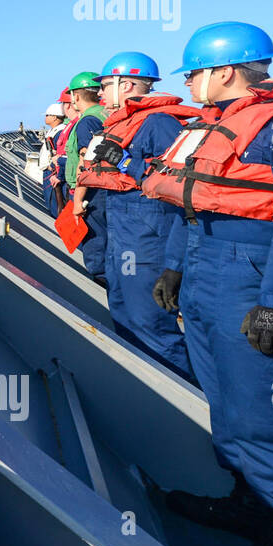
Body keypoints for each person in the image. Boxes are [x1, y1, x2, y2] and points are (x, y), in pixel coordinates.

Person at [141, 21, 273, 546]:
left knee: (264, 414)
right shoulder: (214, 129)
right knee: (226, 404)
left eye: (195, 73)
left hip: (257, 273)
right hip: (207, 268)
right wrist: (175, 267)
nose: (191, 84)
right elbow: (196, 201)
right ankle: (252, 504)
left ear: (223, 71)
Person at [75, 52, 197, 380]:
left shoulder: (159, 123)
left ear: (125, 84)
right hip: (123, 232)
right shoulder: (125, 122)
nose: (99, 94)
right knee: (125, 318)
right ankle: (149, 388)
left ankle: (187, 402)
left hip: (148, 238)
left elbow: (179, 184)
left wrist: (125, 161)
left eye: (104, 86)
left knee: (152, 327)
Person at [64, 72, 108, 285]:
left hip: (92, 192)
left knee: (95, 243)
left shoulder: (87, 121)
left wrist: (78, 199)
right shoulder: (107, 113)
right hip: (109, 188)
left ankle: (103, 289)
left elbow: (87, 162)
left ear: (75, 96)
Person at [41, 101, 67, 217]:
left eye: (47, 115)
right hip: (50, 171)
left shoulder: (59, 133)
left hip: (53, 173)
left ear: (55, 117)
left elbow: (61, 154)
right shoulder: (54, 131)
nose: (45, 118)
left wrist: (55, 172)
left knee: (55, 205)